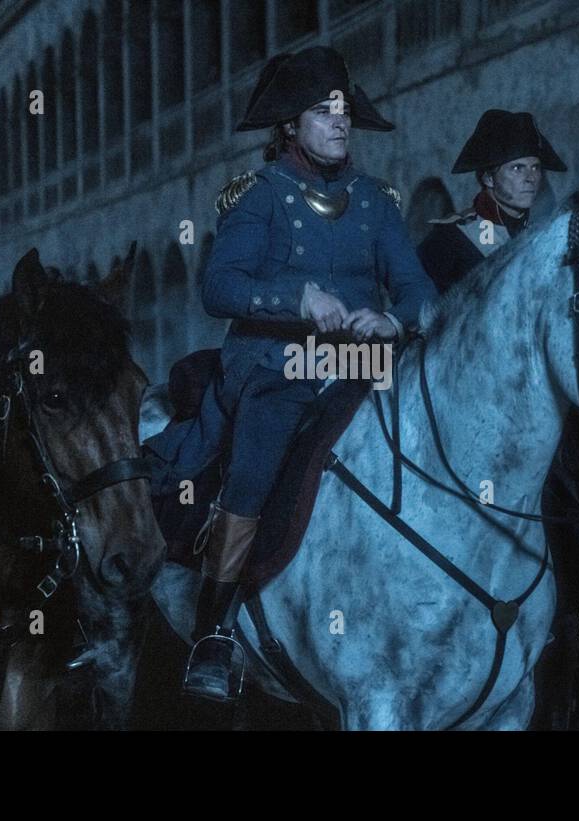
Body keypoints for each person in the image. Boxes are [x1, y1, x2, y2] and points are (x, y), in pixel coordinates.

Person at [150, 46, 437, 702]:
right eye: (322, 111)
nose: (340, 122)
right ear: (288, 126)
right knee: (256, 463)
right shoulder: (259, 197)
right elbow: (220, 288)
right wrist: (298, 298)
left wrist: (397, 322)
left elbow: (420, 288)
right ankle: (213, 631)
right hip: (277, 367)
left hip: (366, 366)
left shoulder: (375, 202)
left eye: (343, 111)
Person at [415, 109, 566, 292]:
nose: (530, 177)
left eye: (535, 168)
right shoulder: (451, 239)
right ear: (488, 179)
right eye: (517, 168)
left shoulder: (546, 236)